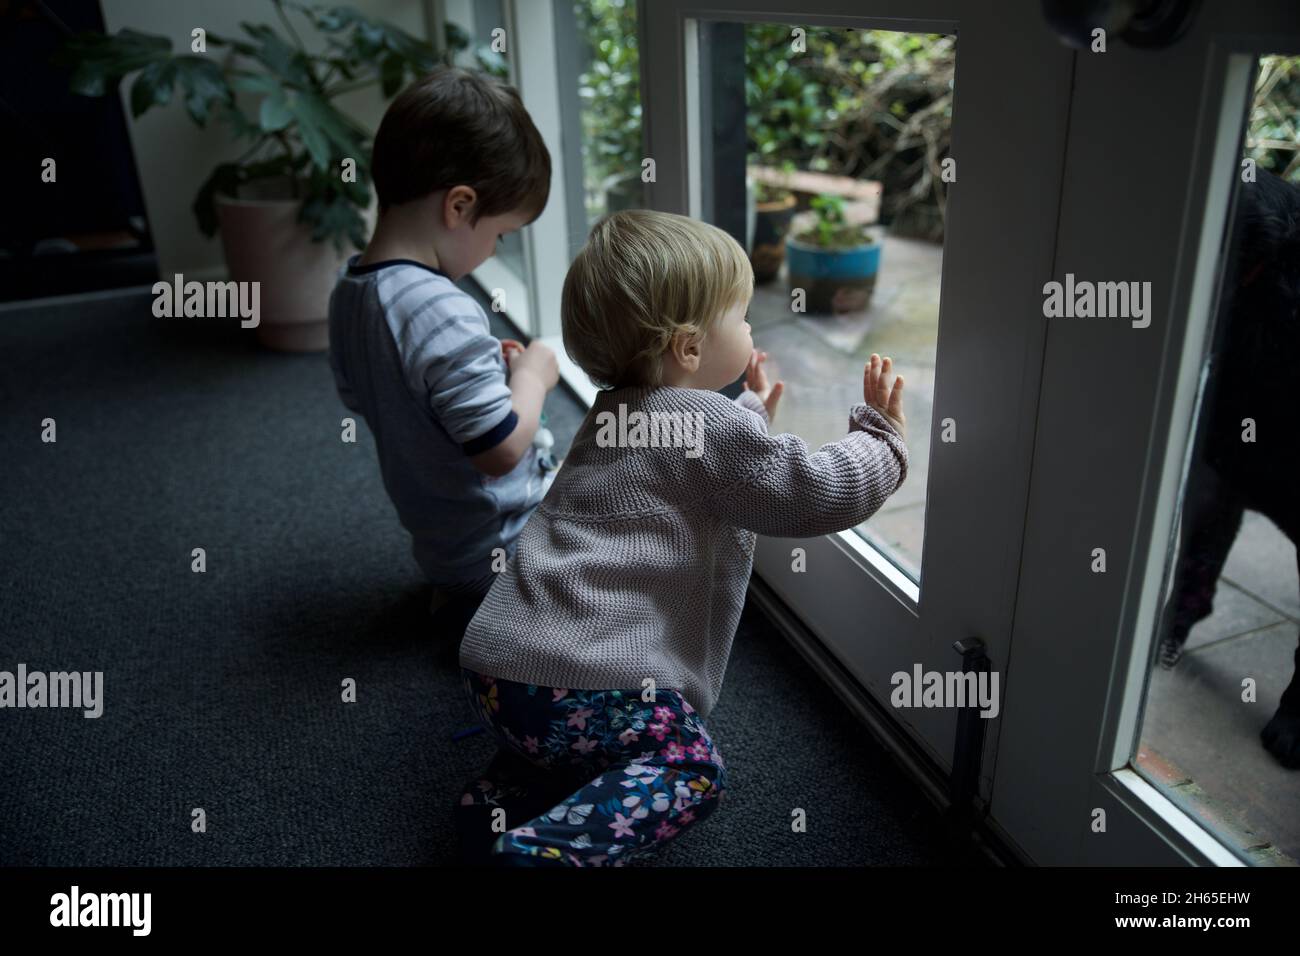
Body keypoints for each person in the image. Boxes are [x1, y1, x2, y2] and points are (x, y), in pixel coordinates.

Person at [455, 208, 909, 866]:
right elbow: (807, 491)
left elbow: (685, 465)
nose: (752, 326)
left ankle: (494, 806)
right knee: (688, 768)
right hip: (584, 680)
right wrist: (880, 442)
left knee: (565, 744)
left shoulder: (608, 417)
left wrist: (746, 413)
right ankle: (535, 857)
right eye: (742, 314)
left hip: (498, 673)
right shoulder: (707, 429)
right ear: (690, 349)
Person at [327, 66, 559, 633]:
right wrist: (530, 376)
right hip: (508, 547)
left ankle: (465, 602)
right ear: (459, 206)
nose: (494, 248)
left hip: (448, 550)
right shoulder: (441, 308)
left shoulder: (352, 287)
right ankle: (495, 619)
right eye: (500, 233)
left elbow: (378, 396)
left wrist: (480, 373)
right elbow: (499, 452)